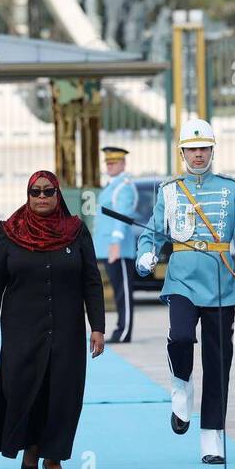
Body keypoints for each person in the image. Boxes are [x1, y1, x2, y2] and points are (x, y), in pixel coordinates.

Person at [0, 171, 106, 469]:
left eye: (48, 191)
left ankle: (53, 455)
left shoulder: (76, 231)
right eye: (35, 192)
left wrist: (97, 326)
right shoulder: (8, 232)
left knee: (63, 391)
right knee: (22, 388)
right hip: (20, 329)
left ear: (58, 195)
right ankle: (30, 445)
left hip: (67, 329)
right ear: (27, 195)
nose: (41, 197)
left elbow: (91, 282)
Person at [137, 118, 235, 464]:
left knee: (220, 360)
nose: (199, 155)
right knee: (179, 336)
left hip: (220, 280)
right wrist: (146, 254)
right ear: (182, 153)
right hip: (182, 279)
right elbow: (153, 232)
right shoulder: (170, 190)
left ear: (212, 150)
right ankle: (181, 383)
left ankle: (212, 437)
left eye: (204, 148)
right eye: (192, 150)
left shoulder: (231, 190)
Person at [95, 146, 140, 343]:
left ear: (123, 163)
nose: (110, 166)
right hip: (108, 247)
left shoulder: (124, 187)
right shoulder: (112, 186)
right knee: (118, 291)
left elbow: (122, 217)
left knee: (123, 292)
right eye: (108, 162)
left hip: (119, 249)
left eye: (114, 162)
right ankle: (121, 329)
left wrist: (115, 242)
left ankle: (123, 332)